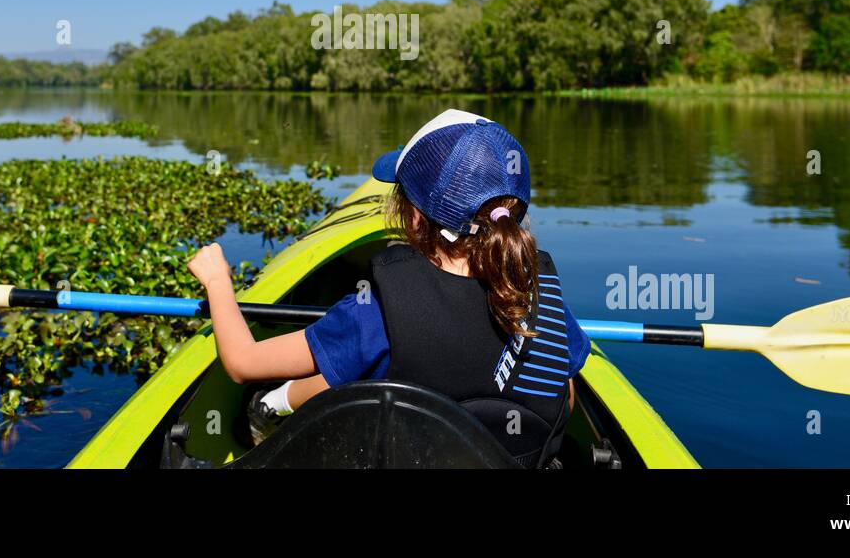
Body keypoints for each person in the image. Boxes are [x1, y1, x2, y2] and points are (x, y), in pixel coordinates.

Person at [186, 108, 590, 466]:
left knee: (362, 363)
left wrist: (218, 281)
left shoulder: (379, 311)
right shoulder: (542, 291)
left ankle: (272, 406)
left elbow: (243, 363)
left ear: (413, 219)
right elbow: (564, 400)